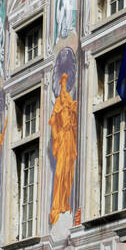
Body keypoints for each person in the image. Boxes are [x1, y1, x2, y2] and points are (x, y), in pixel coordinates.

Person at [48, 73, 77, 226]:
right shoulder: (59, 103)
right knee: (59, 173)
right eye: (62, 83)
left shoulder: (68, 102)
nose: (64, 87)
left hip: (69, 140)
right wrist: (56, 136)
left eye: (66, 83)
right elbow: (52, 121)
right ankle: (57, 206)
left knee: (68, 174)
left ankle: (65, 203)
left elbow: (74, 117)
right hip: (61, 140)